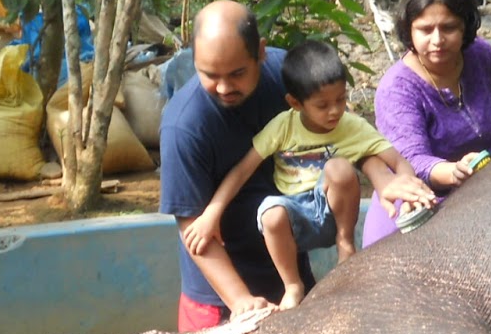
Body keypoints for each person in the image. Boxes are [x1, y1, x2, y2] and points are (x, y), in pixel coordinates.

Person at [184, 40, 432, 309]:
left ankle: (346, 245)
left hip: (330, 209)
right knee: (270, 212)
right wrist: (212, 213)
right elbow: (243, 169)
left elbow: (398, 160)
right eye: (322, 105)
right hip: (295, 214)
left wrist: (407, 187)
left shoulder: (352, 127)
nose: (335, 110)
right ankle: (292, 284)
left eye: (340, 99)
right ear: (295, 103)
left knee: (339, 168)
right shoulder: (283, 127)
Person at [159, 0, 306, 330]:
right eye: (209, 75)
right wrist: (240, 300)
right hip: (217, 296)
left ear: (262, 52)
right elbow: (194, 228)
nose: (224, 88)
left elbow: (338, 126)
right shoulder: (184, 127)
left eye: (237, 73)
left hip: (289, 273)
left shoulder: (290, 79)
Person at [363, 0, 491, 246]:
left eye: (448, 28)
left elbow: (487, 99)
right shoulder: (397, 89)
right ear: (408, 30)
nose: (437, 40)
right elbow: (411, 161)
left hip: (480, 198)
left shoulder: (481, 56)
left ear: (465, 27)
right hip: (414, 213)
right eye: (425, 30)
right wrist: (453, 172)